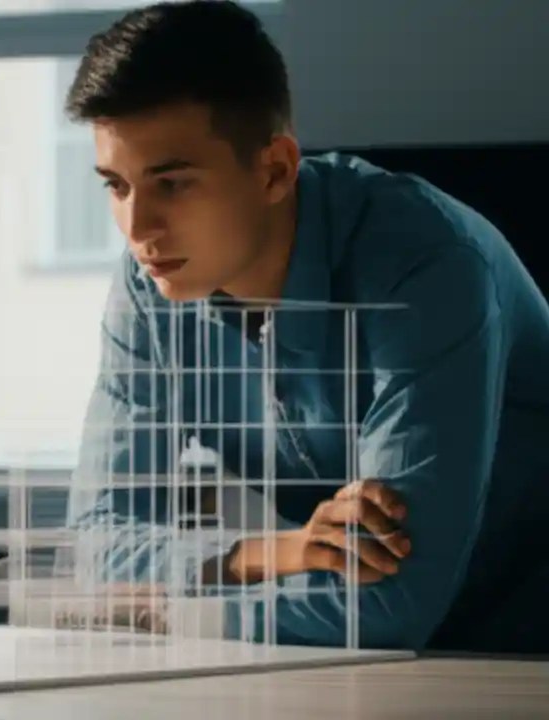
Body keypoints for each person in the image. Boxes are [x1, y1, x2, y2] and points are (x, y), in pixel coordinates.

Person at [63, 0, 549, 653]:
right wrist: (265, 554)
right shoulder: (149, 284)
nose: (137, 228)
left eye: (172, 184)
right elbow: (97, 538)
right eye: (116, 187)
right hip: (353, 643)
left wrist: (169, 612)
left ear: (275, 170)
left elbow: (388, 603)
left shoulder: (426, 262)